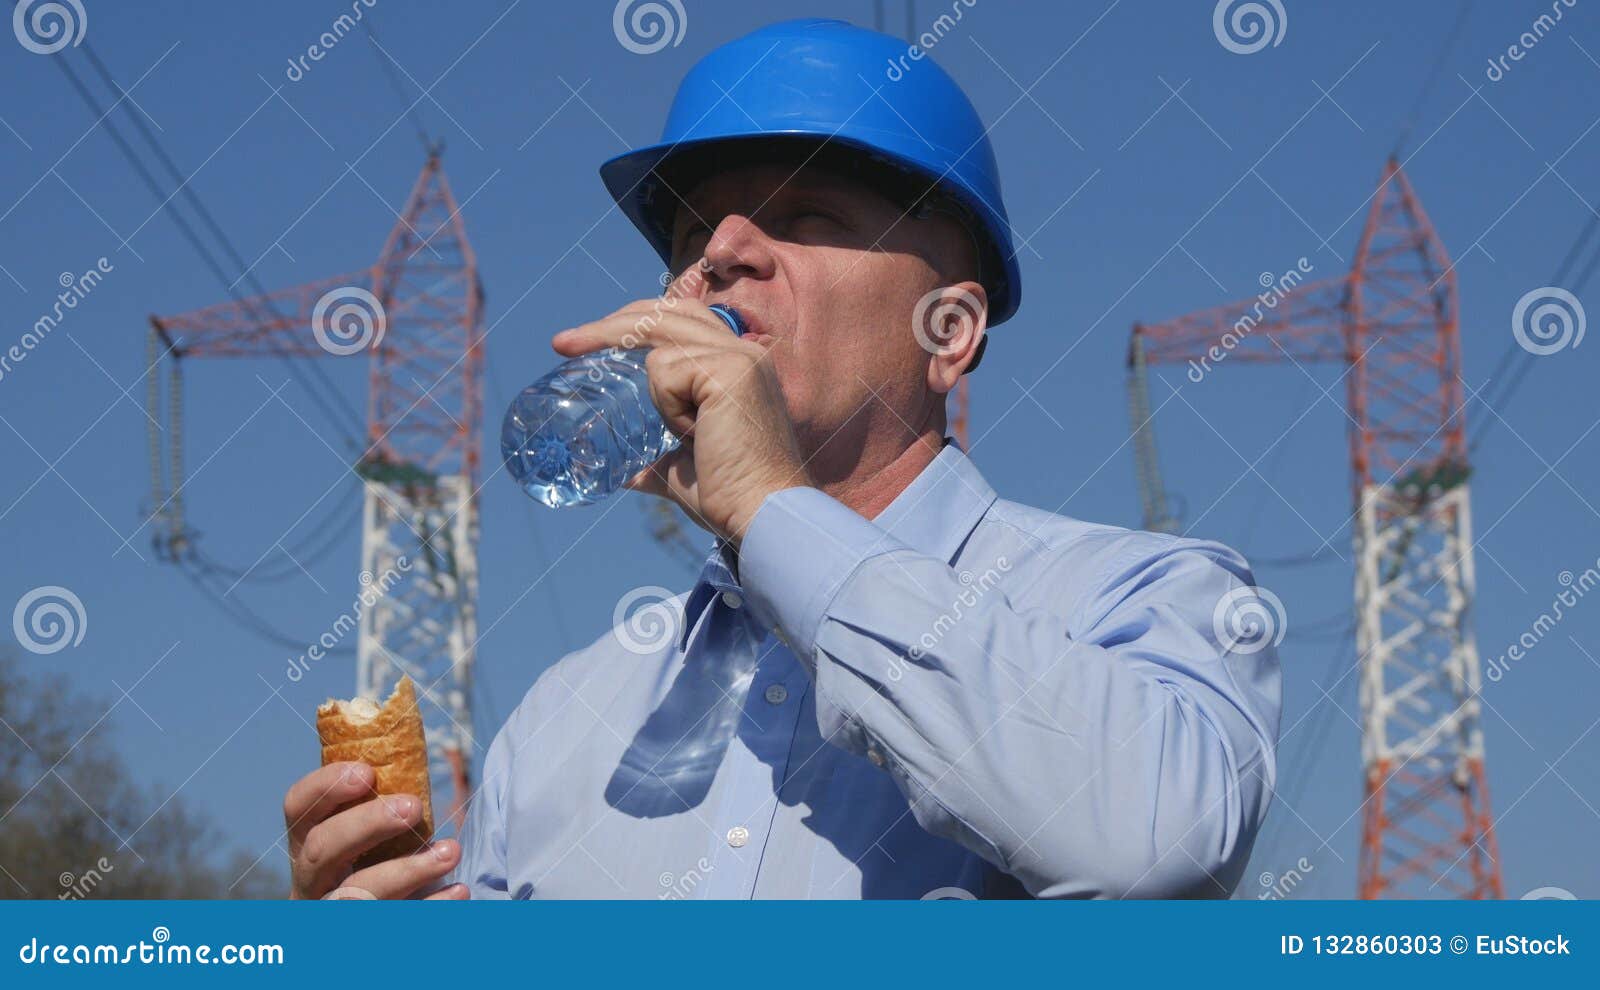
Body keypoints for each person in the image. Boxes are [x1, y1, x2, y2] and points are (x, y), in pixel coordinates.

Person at [284, 18, 1281, 901]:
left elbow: (1154, 847)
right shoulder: (560, 723)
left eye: (810, 221)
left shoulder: (1134, 596)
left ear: (950, 329)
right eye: (689, 233)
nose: (719, 254)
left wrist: (772, 508)